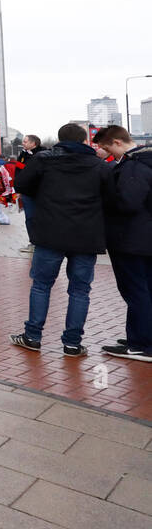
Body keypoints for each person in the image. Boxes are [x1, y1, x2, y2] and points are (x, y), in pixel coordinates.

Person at [9, 123, 112, 358]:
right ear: (85, 140)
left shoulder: (44, 160)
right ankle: (73, 343)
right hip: (86, 235)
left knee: (42, 285)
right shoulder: (98, 165)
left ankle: (32, 336)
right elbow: (111, 198)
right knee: (80, 290)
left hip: (50, 232)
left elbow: (22, 185)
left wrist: (44, 195)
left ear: (60, 139)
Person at [93, 126, 152, 360]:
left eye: (107, 148)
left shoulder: (134, 167)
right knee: (145, 290)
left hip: (131, 239)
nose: (107, 154)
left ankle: (140, 344)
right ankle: (141, 336)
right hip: (144, 238)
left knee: (135, 291)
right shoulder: (144, 162)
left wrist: (105, 201)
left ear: (117, 142)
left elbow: (127, 203)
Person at [16, 134, 41, 253]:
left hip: (40, 193)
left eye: (25, 142)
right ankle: (33, 242)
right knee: (29, 218)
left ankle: (42, 242)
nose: (23, 143)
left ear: (33, 143)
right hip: (26, 193)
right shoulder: (22, 155)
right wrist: (18, 189)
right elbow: (19, 173)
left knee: (39, 218)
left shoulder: (43, 155)